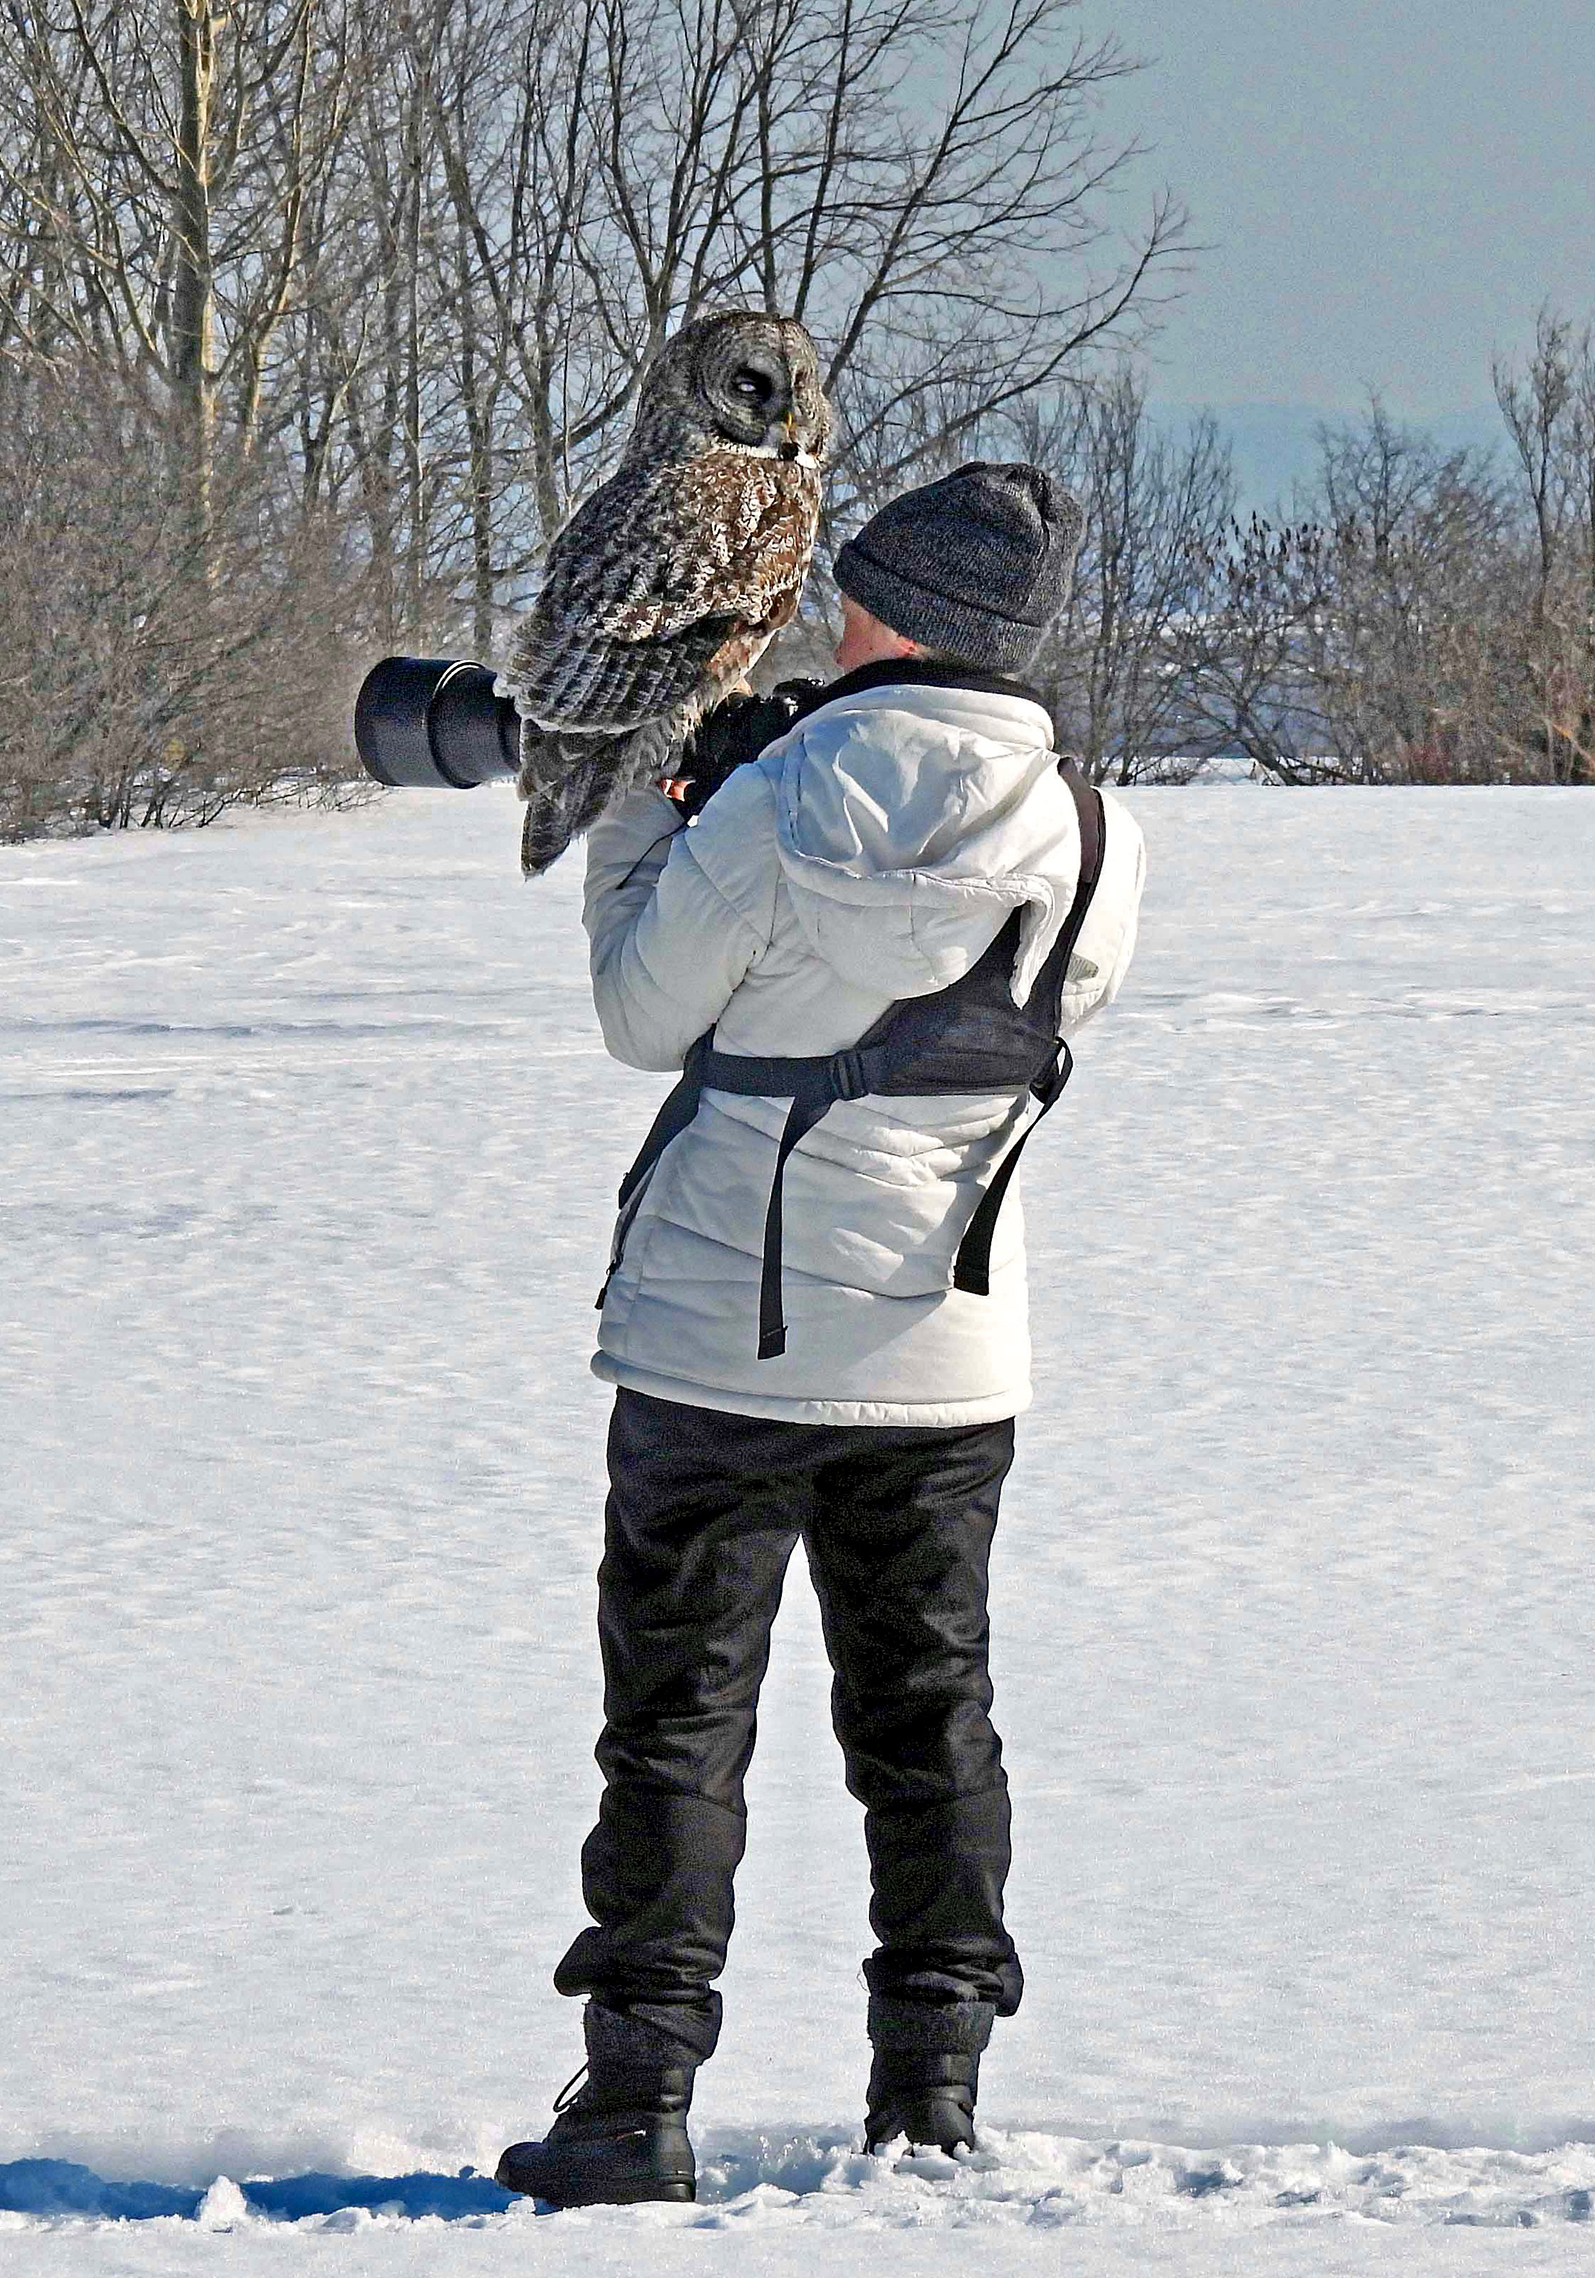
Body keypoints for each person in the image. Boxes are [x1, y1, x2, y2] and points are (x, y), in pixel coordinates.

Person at [496, 462, 1147, 2207]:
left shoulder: (780, 796)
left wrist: (650, 809)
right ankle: (932, 2085)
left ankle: (634, 2097)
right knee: (932, 1713)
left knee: (678, 1717)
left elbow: (642, 1011)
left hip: (718, 1339)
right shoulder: (1093, 834)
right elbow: (1040, 1018)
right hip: (948, 1342)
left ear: (884, 610)